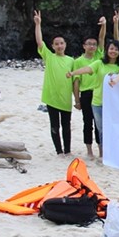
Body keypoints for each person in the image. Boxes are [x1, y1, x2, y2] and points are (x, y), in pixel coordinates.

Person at [68, 38, 119, 159]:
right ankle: (92, 151)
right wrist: (73, 73)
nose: (113, 51)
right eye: (111, 49)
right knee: (93, 125)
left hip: (113, 101)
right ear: (107, 50)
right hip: (96, 99)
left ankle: (105, 152)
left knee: (109, 127)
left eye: (116, 49)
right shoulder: (99, 63)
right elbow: (87, 69)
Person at [34, 10, 75, 156]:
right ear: (52, 46)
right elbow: (39, 42)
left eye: (61, 43)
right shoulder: (49, 57)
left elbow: (75, 81)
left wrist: (77, 99)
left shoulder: (71, 61)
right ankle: (59, 151)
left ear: (65, 45)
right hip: (51, 98)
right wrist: (38, 24)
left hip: (66, 99)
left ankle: (67, 150)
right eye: (56, 44)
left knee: (66, 126)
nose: (59, 46)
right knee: (54, 126)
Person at [70, 17, 106, 157]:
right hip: (85, 94)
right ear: (84, 46)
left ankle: (101, 150)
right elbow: (76, 82)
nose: (92, 46)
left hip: (98, 93)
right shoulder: (78, 61)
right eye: (89, 44)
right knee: (87, 122)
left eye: (94, 44)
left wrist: (103, 25)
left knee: (99, 123)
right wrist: (77, 100)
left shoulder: (99, 57)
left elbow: (102, 38)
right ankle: (89, 151)